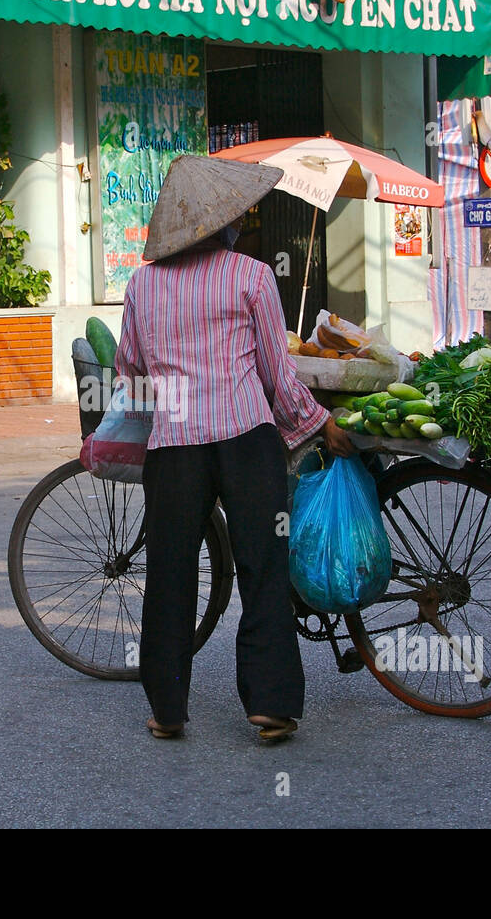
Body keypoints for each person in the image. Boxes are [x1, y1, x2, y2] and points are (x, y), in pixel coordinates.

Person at [115, 155, 354, 743]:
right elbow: (278, 374)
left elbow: (132, 370)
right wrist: (318, 421)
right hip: (247, 441)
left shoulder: (142, 284)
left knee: (170, 575)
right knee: (263, 568)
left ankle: (168, 709)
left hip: (174, 450)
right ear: (223, 222)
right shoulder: (250, 275)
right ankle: (270, 706)